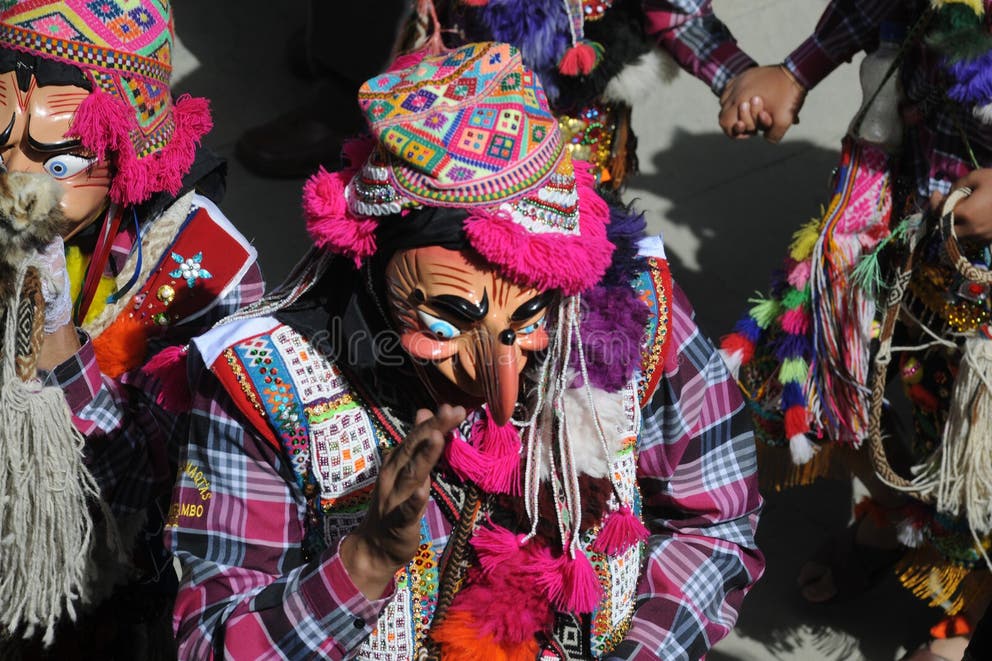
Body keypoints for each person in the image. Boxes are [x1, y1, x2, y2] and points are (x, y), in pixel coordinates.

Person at [166, 42, 764, 660]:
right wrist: (362, 567)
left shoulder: (631, 306)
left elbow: (712, 520)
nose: (498, 373)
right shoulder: (265, 385)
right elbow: (211, 643)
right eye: (448, 317)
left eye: (530, 315)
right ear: (373, 269)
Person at [713, 1, 992, 659]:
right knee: (911, 390)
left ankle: (971, 593)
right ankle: (904, 517)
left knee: (982, 439)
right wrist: (796, 70)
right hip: (917, 234)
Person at [0, 0, 263, 656]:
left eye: (57, 165)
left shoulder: (206, 269)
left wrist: (49, 321)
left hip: (93, 583)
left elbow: (141, 487)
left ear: (127, 159)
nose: (16, 184)